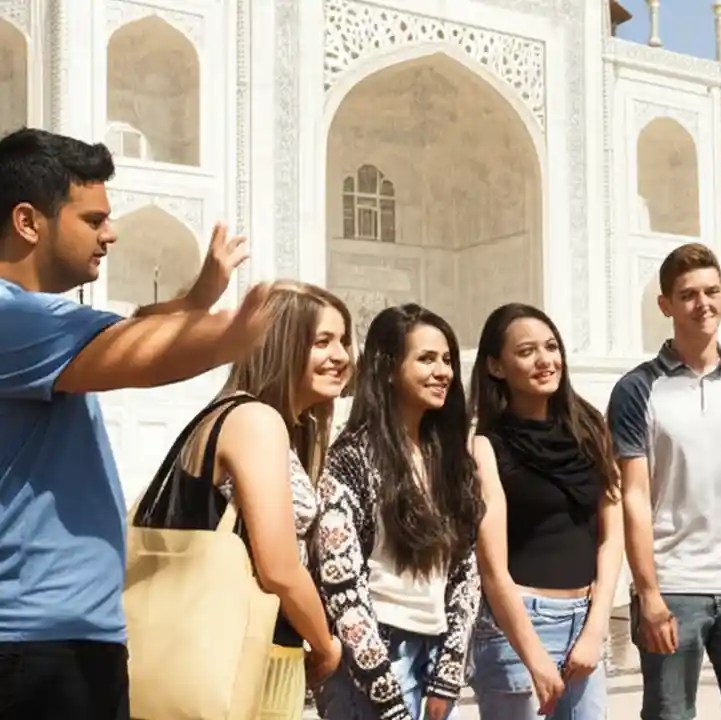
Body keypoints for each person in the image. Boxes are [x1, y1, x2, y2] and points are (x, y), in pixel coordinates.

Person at [0, 127, 272, 719]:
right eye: (93, 219)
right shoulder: (10, 316)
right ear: (29, 221)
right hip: (32, 647)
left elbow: (129, 330)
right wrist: (232, 335)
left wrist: (198, 297)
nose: (111, 233)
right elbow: (135, 356)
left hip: (64, 640)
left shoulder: (39, 322)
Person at [135, 281, 353, 717]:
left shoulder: (230, 415)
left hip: (227, 652)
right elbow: (279, 568)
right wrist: (326, 645)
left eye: (344, 340)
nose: (342, 357)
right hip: (243, 655)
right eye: (322, 342)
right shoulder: (255, 419)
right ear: (282, 345)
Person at [607, 242, 721, 720]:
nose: (702, 304)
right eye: (688, 294)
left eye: (712, 291)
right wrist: (647, 592)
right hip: (673, 587)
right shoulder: (637, 389)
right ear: (666, 305)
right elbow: (634, 494)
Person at [314, 305, 484, 720]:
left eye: (447, 360)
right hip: (372, 660)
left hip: (433, 650)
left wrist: (448, 672)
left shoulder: (447, 456)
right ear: (388, 368)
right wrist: (385, 693)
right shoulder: (351, 458)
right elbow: (342, 586)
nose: (443, 371)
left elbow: (466, 569)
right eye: (426, 359)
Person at [468, 303, 625, 719]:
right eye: (526, 351)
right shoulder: (487, 447)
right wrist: (533, 654)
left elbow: (611, 537)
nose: (545, 360)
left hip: (584, 621)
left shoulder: (590, 430)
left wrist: (595, 628)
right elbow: (492, 567)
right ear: (496, 367)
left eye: (551, 347)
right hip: (517, 628)